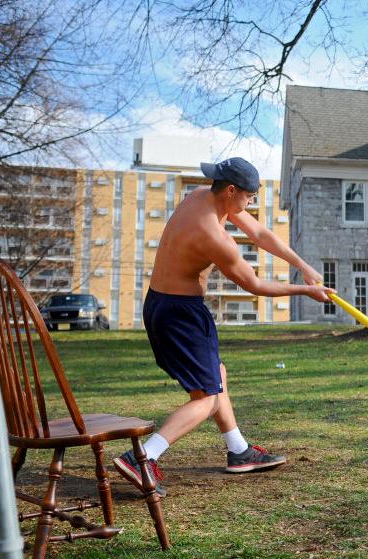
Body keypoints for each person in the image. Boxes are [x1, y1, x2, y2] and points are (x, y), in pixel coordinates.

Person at [112, 157, 335, 496]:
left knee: (216, 375)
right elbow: (255, 285)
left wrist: (301, 265)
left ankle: (239, 450)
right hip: (181, 315)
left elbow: (258, 232)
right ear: (231, 190)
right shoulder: (213, 237)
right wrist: (306, 289)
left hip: (159, 304)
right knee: (208, 398)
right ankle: (142, 456)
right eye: (250, 196)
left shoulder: (201, 196)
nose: (251, 203)